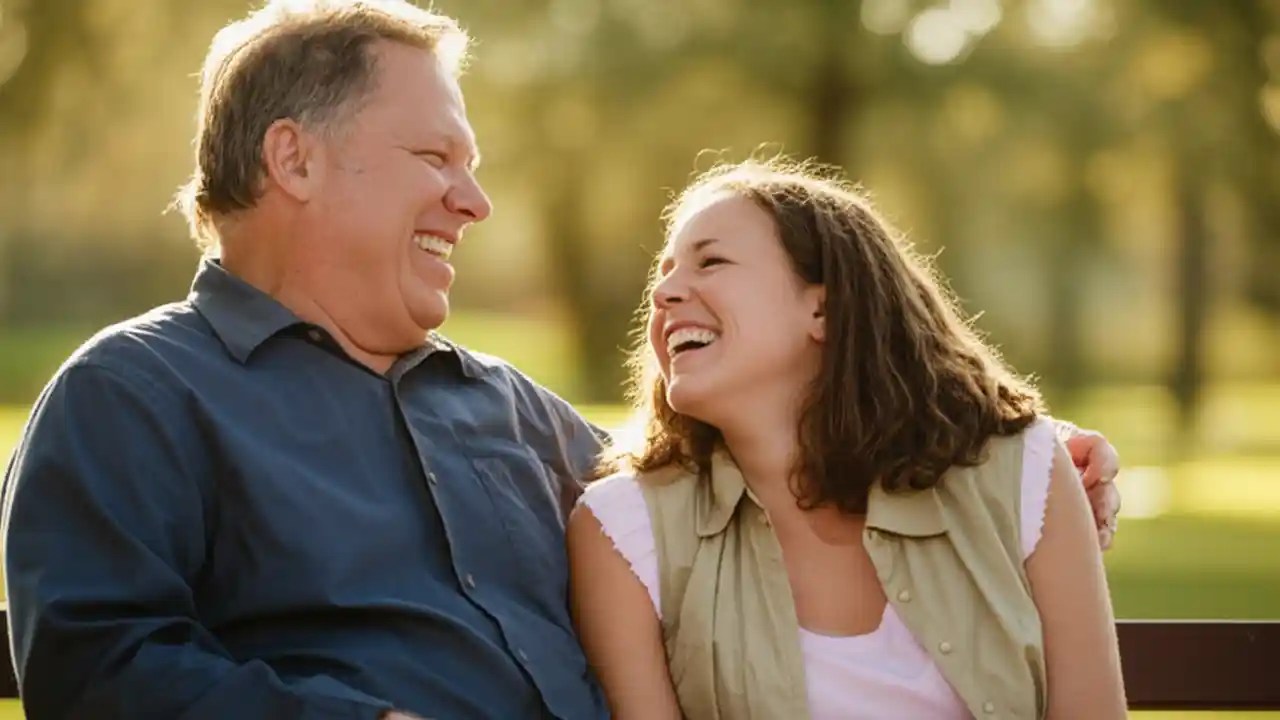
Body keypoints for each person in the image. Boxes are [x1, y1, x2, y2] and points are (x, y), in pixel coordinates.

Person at [1, 2, 1121, 719]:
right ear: (291, 158)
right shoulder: (134, 396)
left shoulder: (517, 415)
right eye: (435, 154)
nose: (473, 201)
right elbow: (96, 665)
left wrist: (1011, 466)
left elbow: (728, 506)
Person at [568, 159, 1128, 719]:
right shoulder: (625, 532)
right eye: (662, 274)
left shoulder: (1024, 473)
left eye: (710, 261)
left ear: (824, 309)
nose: (663, 291)